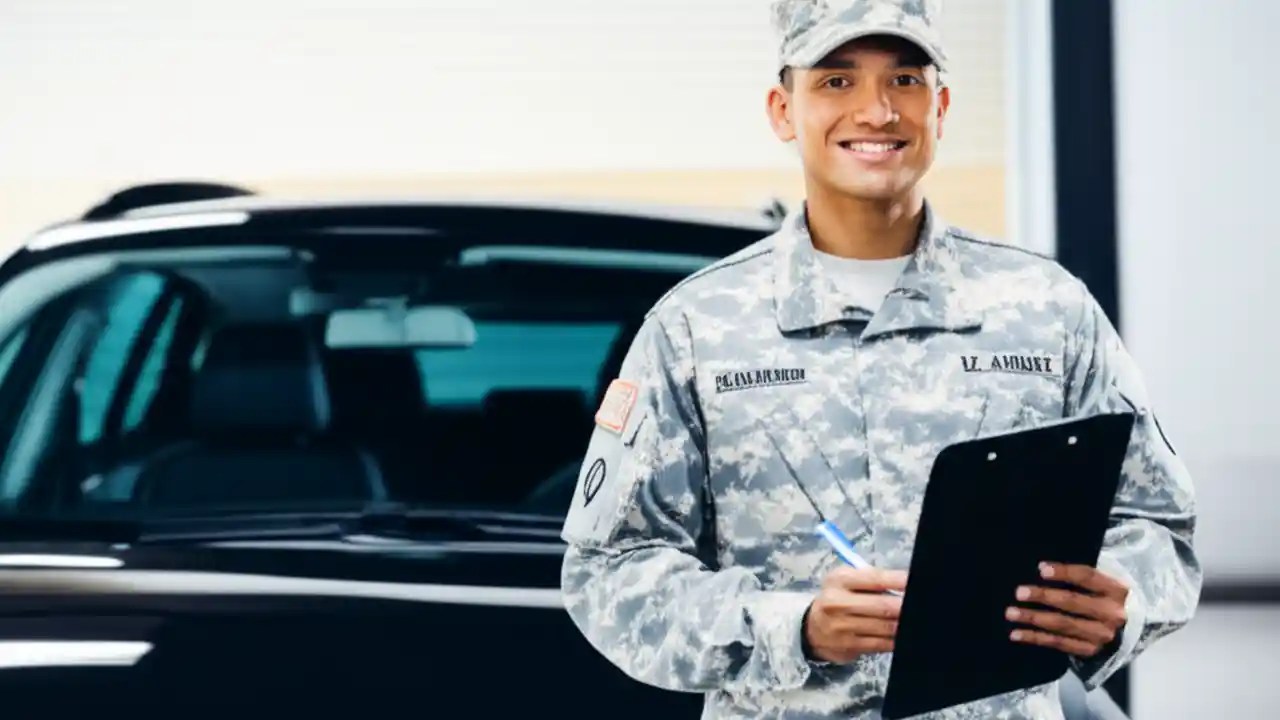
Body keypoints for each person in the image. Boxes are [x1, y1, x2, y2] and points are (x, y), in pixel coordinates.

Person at [557, 0, 1201, 717]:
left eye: (904, 80)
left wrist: (1120, 599)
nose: (877, 110)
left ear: (941, 106)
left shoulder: (1048, 310)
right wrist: (791, 625)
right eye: (836, 81)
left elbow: (1159, 525)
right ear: (782, 109)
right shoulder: (696, 328)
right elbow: (609, 571)